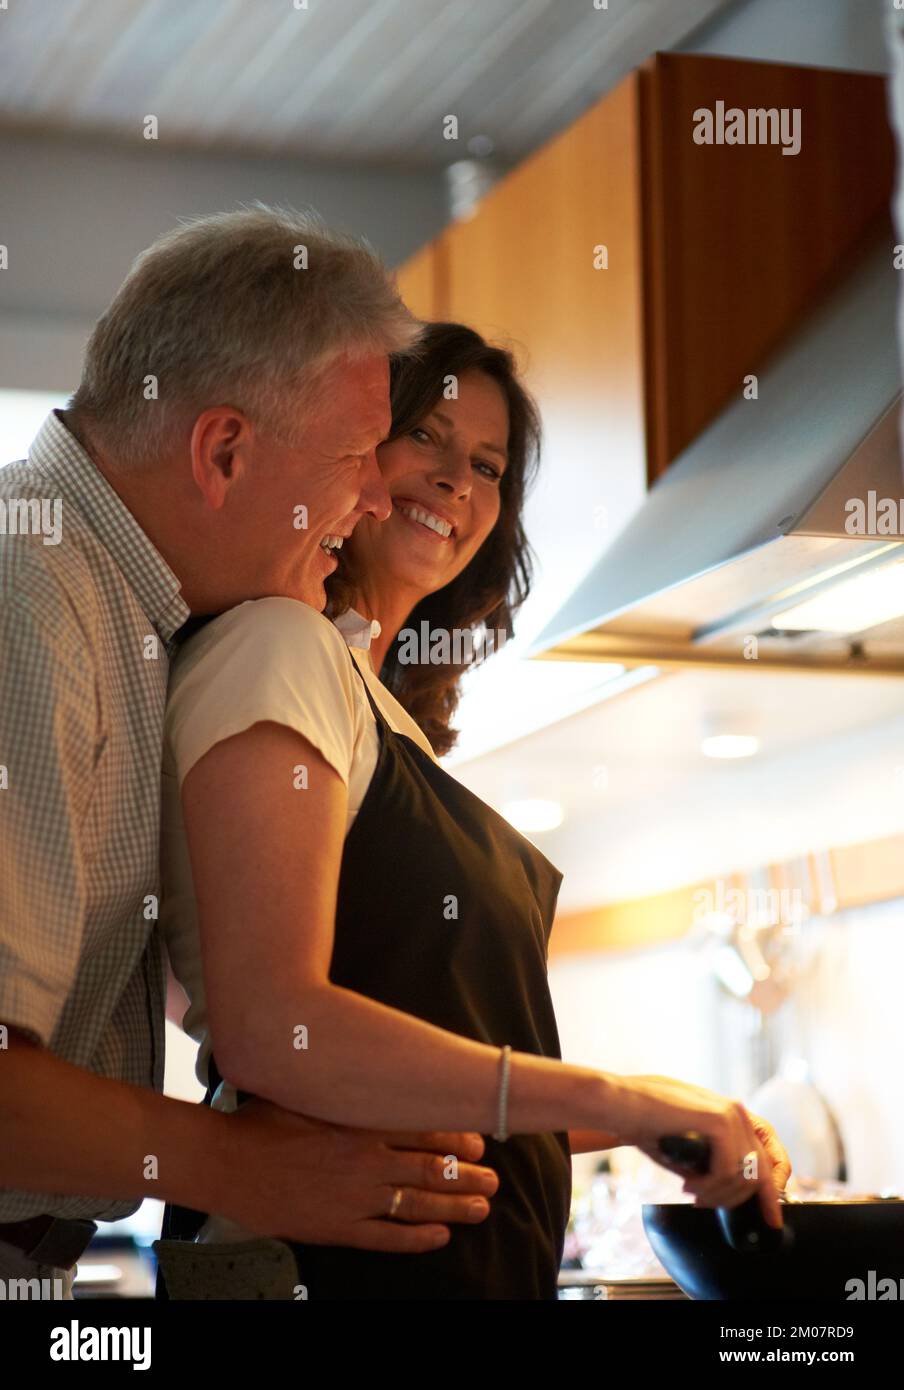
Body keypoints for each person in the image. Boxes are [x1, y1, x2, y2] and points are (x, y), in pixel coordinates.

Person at [159, 322, 792, 1300]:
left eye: (488, 465)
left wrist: (672, 1116)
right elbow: (272, 1025)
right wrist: (616, 1100)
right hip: (323, 1270)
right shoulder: (280, 650)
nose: (457, 481)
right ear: (356, 451)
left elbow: (437, 1068)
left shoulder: (379, 714)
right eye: (429, 437)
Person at [0, 207, 504, 1301]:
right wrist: (257, 1171)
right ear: (225, 449)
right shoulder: (30, 596)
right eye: (357, 457)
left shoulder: (125, 614)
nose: (376, 497)